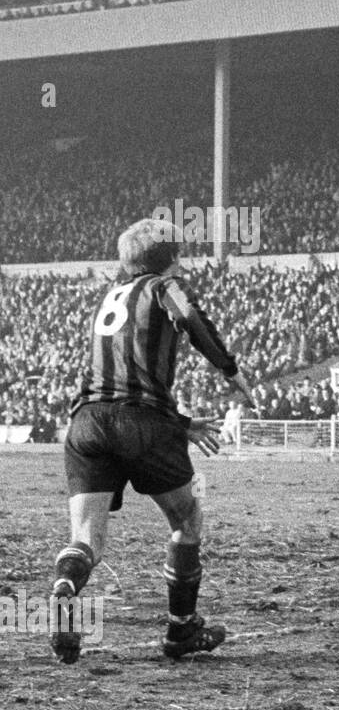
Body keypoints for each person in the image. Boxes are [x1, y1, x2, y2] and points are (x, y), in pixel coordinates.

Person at [52, 218, 257, 664]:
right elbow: (190, 317)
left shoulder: (110, 296)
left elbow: (119, 385)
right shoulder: (164, 287)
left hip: (87, 423)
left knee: (87, 538)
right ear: (172, 260)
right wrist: (231, 371)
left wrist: (179, 424)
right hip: (141, 424)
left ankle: (67, 583)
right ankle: (181, 630)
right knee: (186, 518)